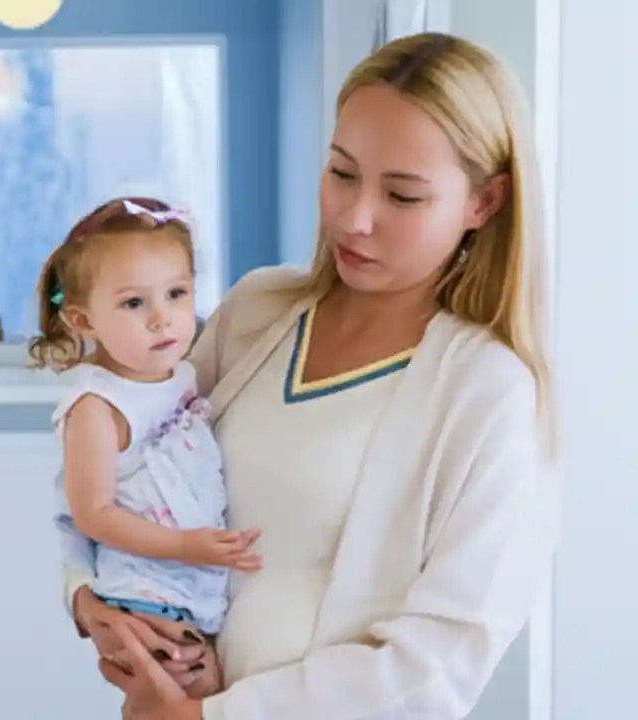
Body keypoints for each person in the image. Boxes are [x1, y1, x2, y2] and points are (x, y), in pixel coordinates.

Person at [60, 32, 561, 719]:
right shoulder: (257, 312)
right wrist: (86, 599)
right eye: (342, 172)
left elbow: (439, 663)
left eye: (404, 196)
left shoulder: (489, 392)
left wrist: (214, 717)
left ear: (485, 202)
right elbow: (117, 464)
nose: (355, 220)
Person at [31, 197, 263, 647]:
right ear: (83, 320)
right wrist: (184, 546)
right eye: (134, 302)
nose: (162, 318)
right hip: (142, 598)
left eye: (176, 294)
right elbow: (92, 514)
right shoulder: (98, 409)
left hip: (199, 589)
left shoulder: (184, 374)